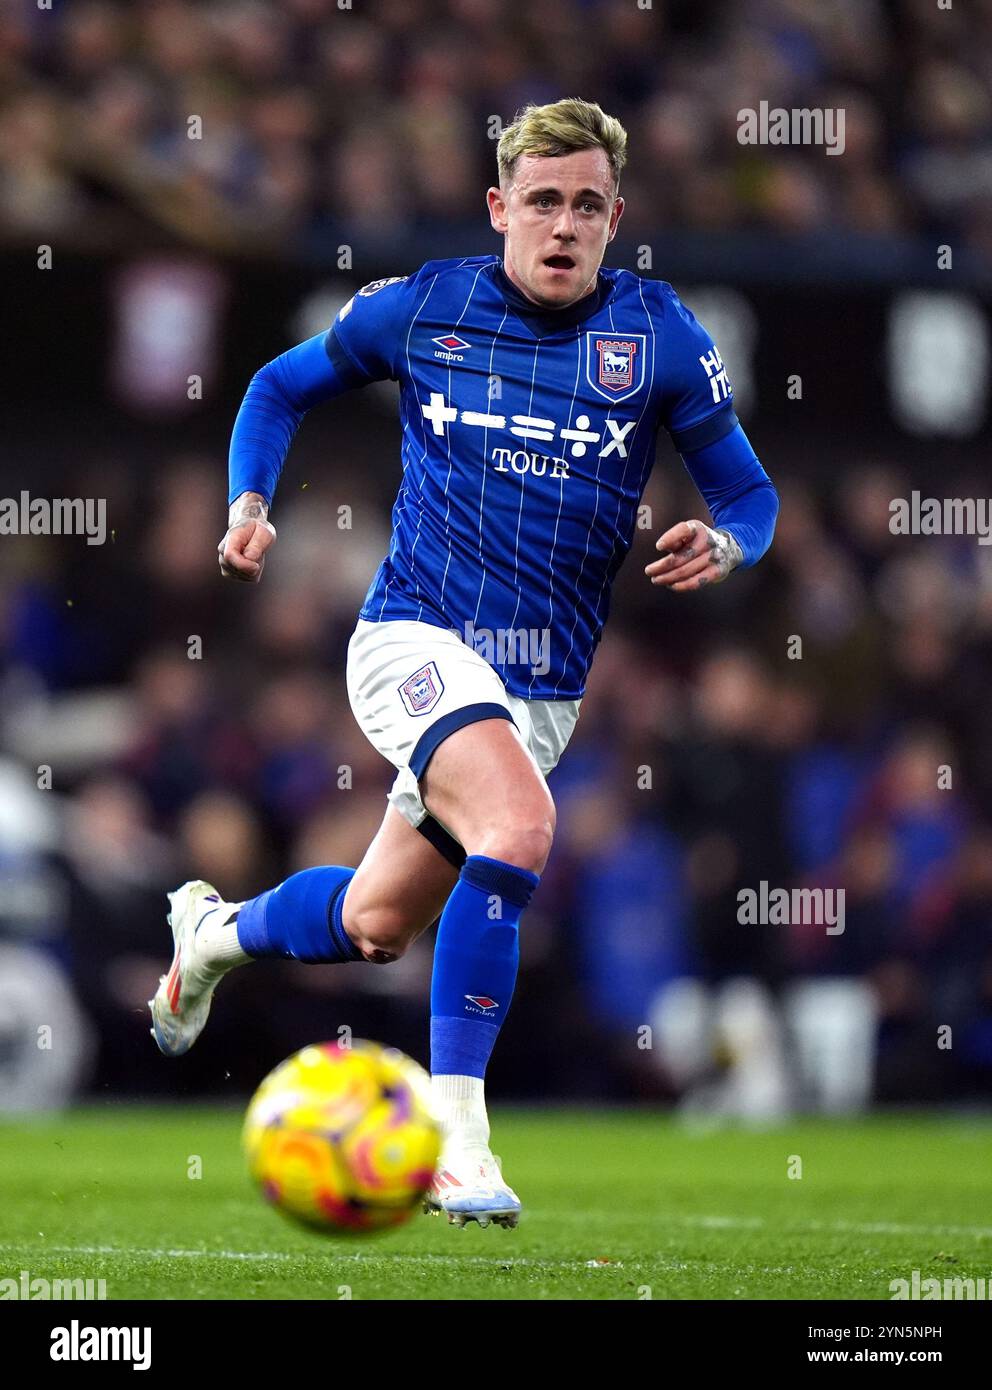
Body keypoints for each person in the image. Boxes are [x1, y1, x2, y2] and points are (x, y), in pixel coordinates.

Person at [150, 97, 779, 1228]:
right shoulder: (429, 306)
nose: (562, 226)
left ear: (614, 218)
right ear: (499, 208)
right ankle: (455, 1137)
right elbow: (275, 386)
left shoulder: (661, 338)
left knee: (376, 922)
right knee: (524, 828)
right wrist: (249, 503)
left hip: (540, 691)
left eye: (586, 206)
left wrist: (728, 541)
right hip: (412, 642)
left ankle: (210, 936)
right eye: (541, 201)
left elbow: (749, 491)